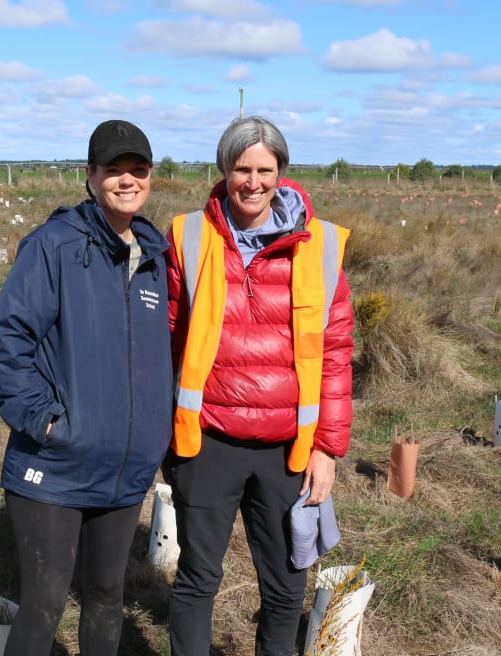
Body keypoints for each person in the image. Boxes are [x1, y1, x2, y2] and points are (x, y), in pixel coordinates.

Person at [0, 119, 172, 656]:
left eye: (138, 170)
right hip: (55, 467)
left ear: (150, 175)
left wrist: (155, 430)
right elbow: (5, 343)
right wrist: (48, 421)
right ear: (91, 176)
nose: (127, 180)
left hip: (123, 469)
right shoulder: (54, 246)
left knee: (108, 596)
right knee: (44, 605)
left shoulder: (156, 258)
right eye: (114, 170)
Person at [165, 116, 354, 656]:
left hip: (286, 451)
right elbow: (169, 341)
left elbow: (337, 353)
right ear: (224, 170)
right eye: (242, 168)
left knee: (285, 587)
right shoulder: (189, 236)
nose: (253, 182)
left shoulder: (319, 247)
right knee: (198, 579)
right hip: (208, 445)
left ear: (282, 172)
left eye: (264, 169)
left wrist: (327, 448)